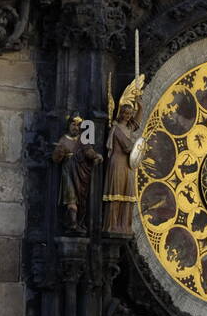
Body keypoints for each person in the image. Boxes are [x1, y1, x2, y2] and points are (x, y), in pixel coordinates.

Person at [103, 76, 145, 235]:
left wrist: (140, 107)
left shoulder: (127, 127)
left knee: (127, 196)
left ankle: (125, 226)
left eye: (130, 113)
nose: (128, 116)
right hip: (118, 164)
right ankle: (112, 226)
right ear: (120, 113)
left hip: (127, 165)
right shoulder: (117, 129)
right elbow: (128, 147)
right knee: (116, 196)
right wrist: (141, 146)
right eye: (125, 113)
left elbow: (137, 123)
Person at [52, 114, 102, 235]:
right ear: (68, 125)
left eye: (78, 125)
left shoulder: (83, 139)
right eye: (73, 124)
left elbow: (89, 152)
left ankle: (78, 222)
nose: (76, 127)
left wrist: (96, 156)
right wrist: (59, 151)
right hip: (68, 173)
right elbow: (56, 159)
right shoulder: (63, 139)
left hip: (81, 174)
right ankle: (72, 223)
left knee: (81, 199)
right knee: (71, 197)